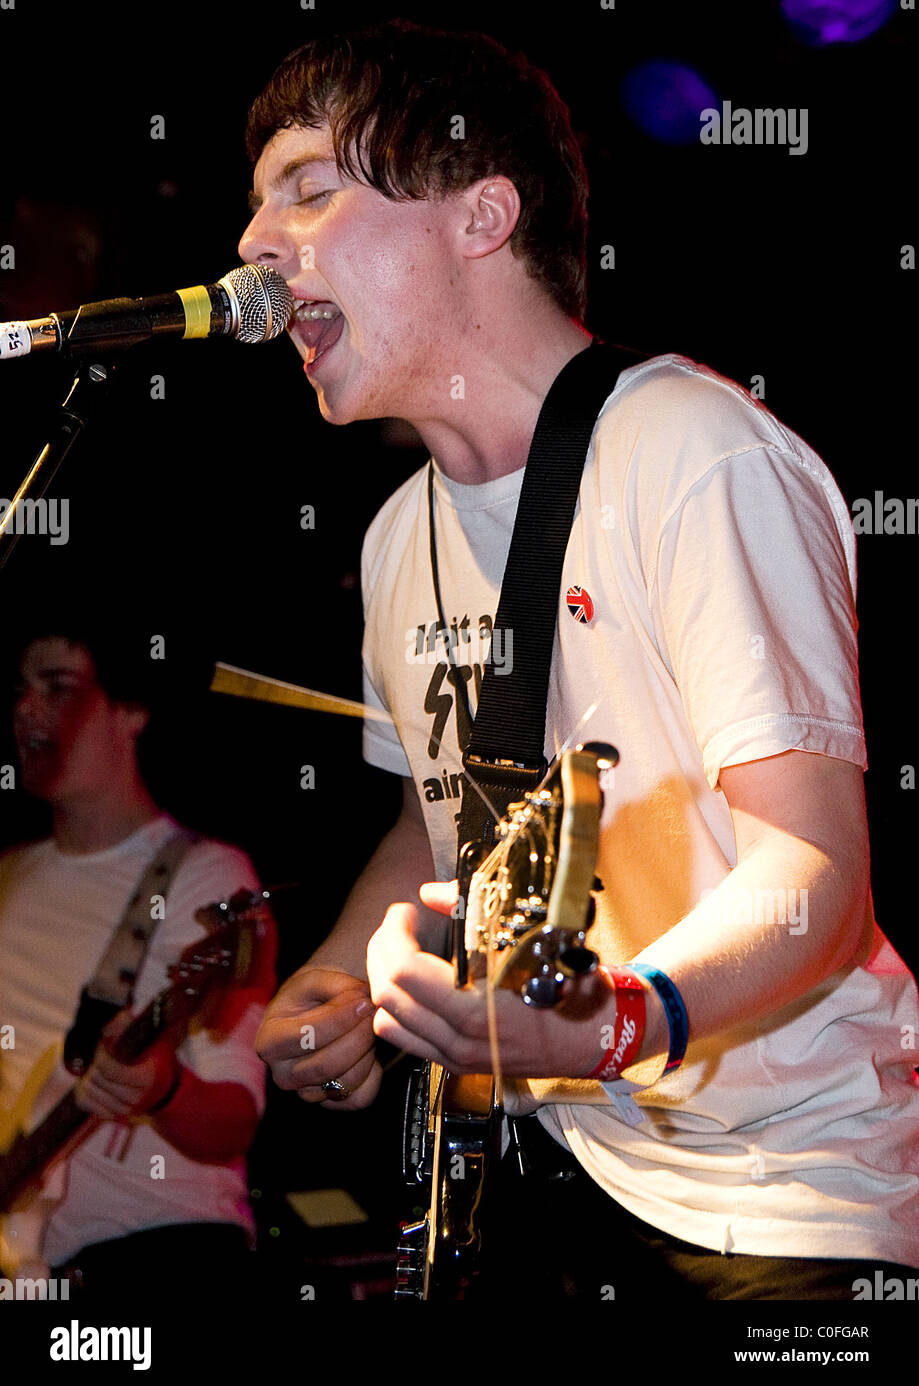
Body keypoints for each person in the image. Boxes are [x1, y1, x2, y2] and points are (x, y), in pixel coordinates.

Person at [244, 20, 919, 1299]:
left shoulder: (692, 451)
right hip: (559, 1169)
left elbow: (814, 868)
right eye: (257, 204)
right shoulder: (398, 537)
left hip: (786, 1200)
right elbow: (434, 816)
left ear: (480, 214)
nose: (254, 245)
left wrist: (619, 1018)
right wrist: (335, 979)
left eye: (312, 189)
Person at [0, 623, 276, 1300]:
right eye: (20, 691)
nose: (25, 710)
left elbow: (235, 1117)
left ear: (131, 712)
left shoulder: (204, 876)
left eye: (57, 688)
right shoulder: (8, 877)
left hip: (158, 1259)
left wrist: (164, 1089)